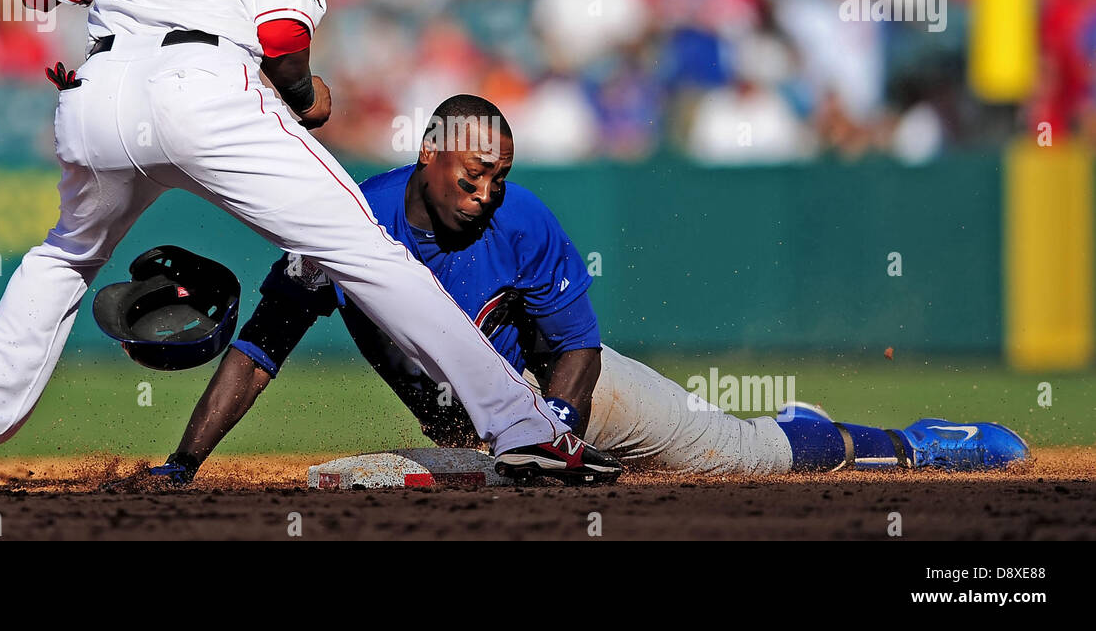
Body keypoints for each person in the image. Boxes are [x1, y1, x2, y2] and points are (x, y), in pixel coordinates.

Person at [0, 0, 620, 491]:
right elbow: (282, 36)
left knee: (65, 256)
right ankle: (525, 429)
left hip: (97, 91)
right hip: (204, 87)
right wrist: (306, 92)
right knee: (366, 252)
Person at [148, 94, 1030, 484]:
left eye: (497, 175)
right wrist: (184, 465)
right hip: (481, 426)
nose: (485, 190)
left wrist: (554, 434)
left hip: (572, 396)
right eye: (472, 173)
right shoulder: (346, 221)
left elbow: (574, 346)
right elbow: (262, 346)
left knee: (738, 457)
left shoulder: (522, 220)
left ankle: (907, 445)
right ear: (429, 153)